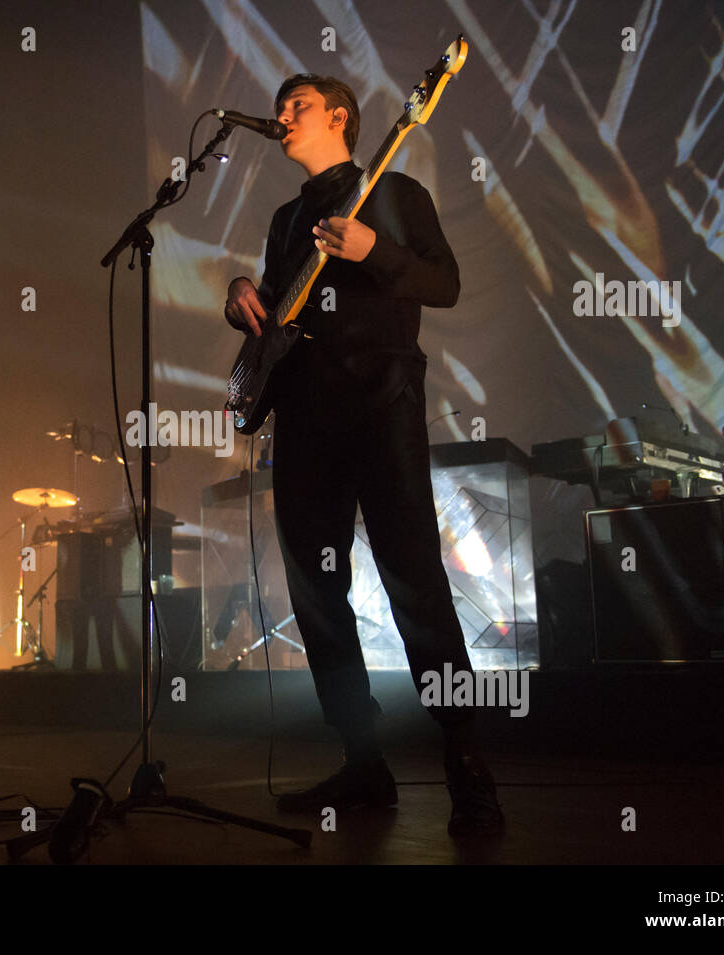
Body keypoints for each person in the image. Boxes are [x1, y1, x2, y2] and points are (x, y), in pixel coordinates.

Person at [223, 74, 504, 835]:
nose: (282, 117)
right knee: (318, 598)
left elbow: (444, 282)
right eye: (280, 109)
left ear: (340, 117)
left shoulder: (396, 191)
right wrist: (246, 293)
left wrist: (378, 251)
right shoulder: (286, 219)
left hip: (382, 407)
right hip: (305, 420)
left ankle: (467, 764)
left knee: (417, 583)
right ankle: (362, 759)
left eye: (298, 106)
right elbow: (278, 317)